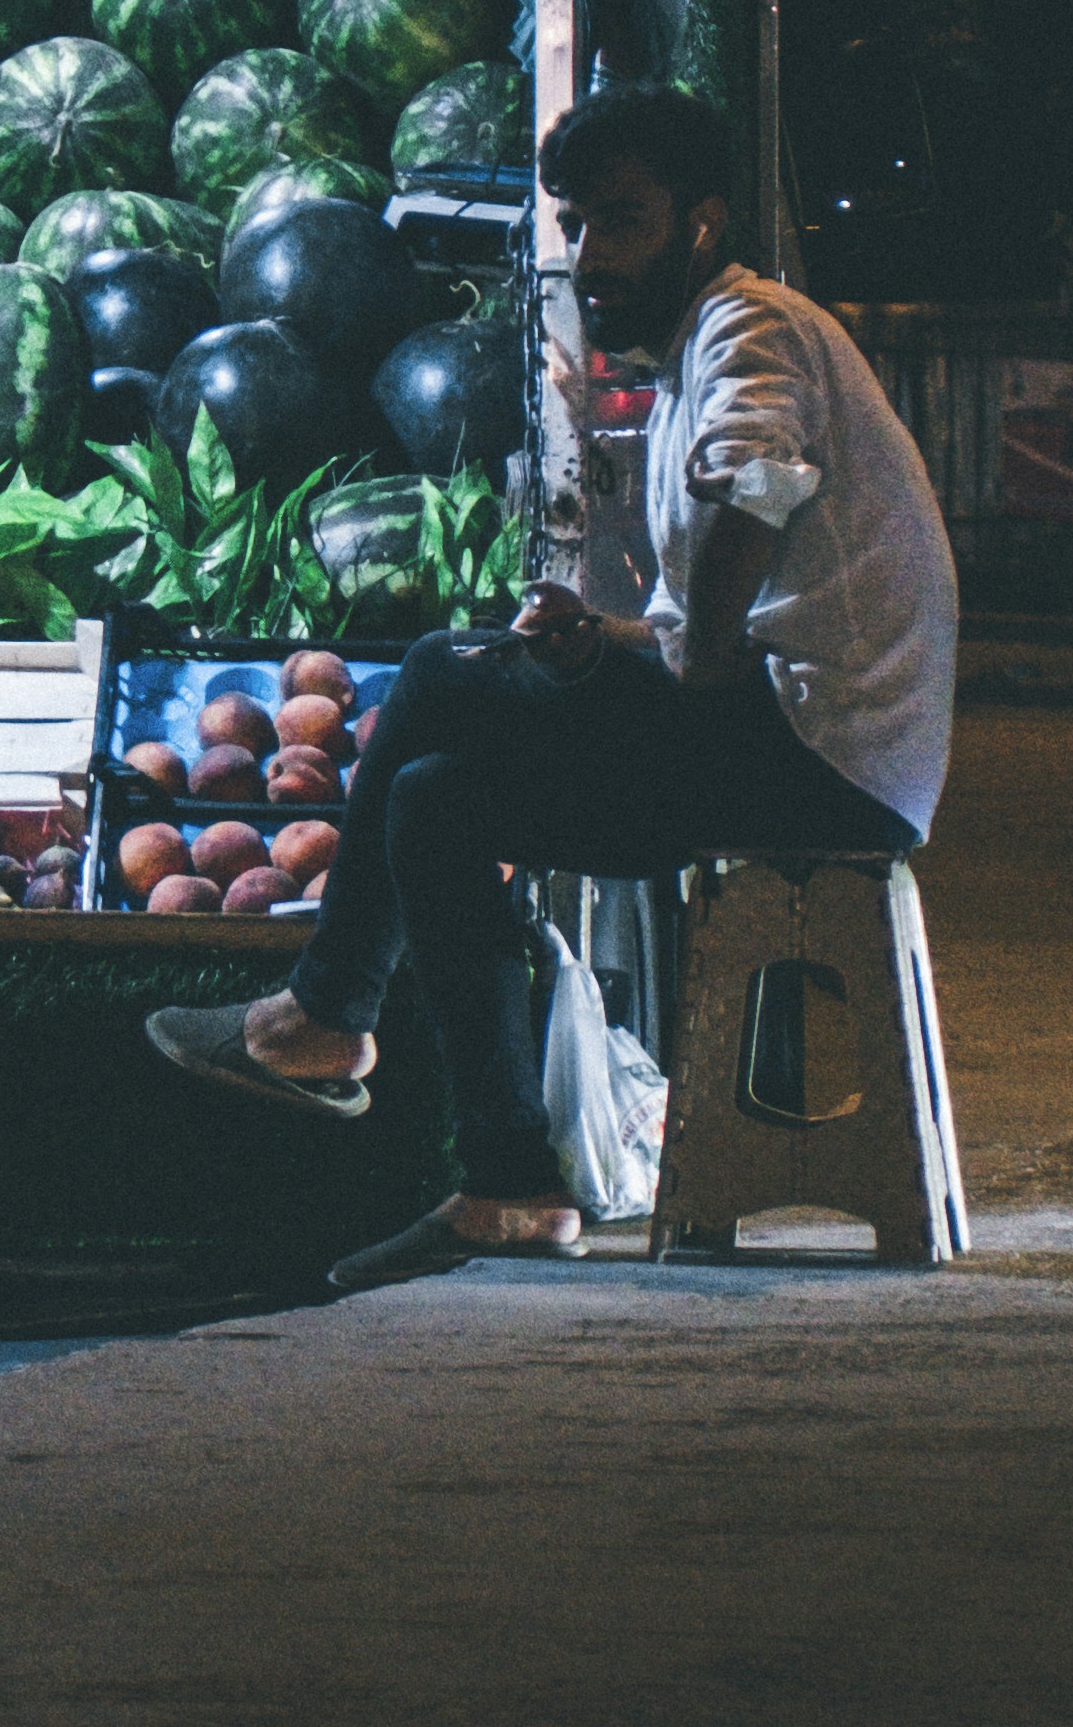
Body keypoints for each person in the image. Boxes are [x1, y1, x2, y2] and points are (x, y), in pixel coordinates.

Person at [144, 84, 953, 1276]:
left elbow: (761, 483)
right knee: (436, 797)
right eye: (575, 223)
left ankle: (325, 1014)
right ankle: (511, 1183)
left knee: (437, 669)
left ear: (702, 223)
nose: (592, 254)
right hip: (801, 739)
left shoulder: (748, 325)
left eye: (621, 220)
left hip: (819, 749)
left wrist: (698, 658)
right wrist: (613, 642)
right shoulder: (696, 349)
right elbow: (714, 593)